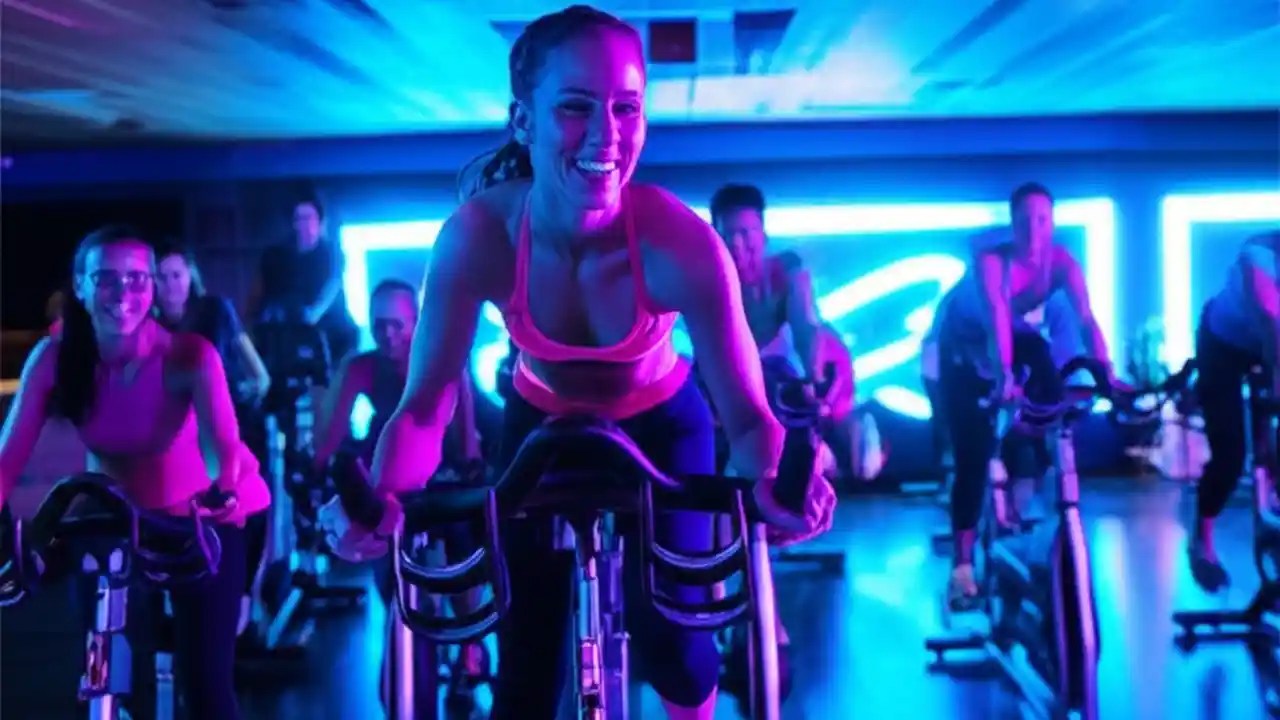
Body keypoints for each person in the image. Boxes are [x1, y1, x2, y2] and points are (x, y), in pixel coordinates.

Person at [320, 6, 835, 720]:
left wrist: (776, 483)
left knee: (676, 645)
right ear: (523, 121)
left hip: (663, 425)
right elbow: (424, 407)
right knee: (525, 664)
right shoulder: (479, 237)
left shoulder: (679, 242)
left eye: (627, 108)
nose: (606, 135)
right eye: (574, 107)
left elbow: (748, 417)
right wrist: (379, 501)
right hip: (543, 430)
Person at [0, 225, 271, 720]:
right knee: (109, 679)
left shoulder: (188, 355)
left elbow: (223, 447)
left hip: (204, 522)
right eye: (106, 278)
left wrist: (223, 487)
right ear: (79, 287)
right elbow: (6, 460)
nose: (123, 293)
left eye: (136, 279)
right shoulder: (56, 359)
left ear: (152, 286)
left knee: (206, 690)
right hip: (119, 524)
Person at [932, 182, 1119, 608]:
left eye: (1041, 220)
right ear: (1012, 226)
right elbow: (997, 314)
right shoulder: (991, 263)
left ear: (1052, 224)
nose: (1033, 231)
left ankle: (1020, 509)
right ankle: (961, 568)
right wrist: (1003, 377)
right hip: (962, 347)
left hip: (1013, 338)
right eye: (1023, 222)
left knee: (1050, 396)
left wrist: (1106, 371)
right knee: (972, 458)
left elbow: (1087, 318)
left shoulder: (1061, 263)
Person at [312, 277, 486, 713]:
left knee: (464, 549)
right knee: (390, 572)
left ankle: (468, 646)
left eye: (396, 325)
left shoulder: (442, 360)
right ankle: (403, 633)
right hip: (393, 477)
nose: (387, 334)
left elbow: (466, 436)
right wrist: (321, 466)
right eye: (378, 324)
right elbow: (332, 433)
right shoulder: (361, 366)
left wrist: (467, 467)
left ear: (416, 323)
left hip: (446, 471)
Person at [154, 242, 273, 632]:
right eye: (161, 276)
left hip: (227, 426)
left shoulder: (215, 310)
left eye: (176, 275)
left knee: (251, 506)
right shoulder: (147, 328)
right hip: (174, 436)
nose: (170, 284)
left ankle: (241, 597)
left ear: (191, 277)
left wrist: (245, 394)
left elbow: (258, 373)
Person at [1188, 230, 1280, 591]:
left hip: (1267, 344)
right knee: (1230, 454)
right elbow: (1272, 325)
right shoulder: (1258, 257)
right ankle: (1202, 542)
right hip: (1222, 344)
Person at [710, 184, 824, 381]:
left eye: (745, 233)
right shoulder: (705, 286)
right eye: (727, 235)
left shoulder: (788, 274)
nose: (736, 245)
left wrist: (815, 376)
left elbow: (806, 328)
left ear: (763, 236)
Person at [256, 197, 358, 364]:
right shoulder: (277, 256)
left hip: (330, 326)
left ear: (319, 221)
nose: (305, 224)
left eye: (310, 218)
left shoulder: (333, 252)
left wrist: (314, 314)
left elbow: (333, 285)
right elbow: (271, 295)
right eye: (300, 218)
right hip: (290, 328)